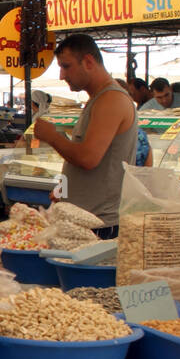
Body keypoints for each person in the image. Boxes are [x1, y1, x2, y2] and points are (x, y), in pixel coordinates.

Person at [32, 33, 137, 237]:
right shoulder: (97, 99)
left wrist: (52, 136)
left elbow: (88, 158)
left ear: (88, 61)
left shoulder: (111, 99)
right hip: (84, 220)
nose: (62, 75)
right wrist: (64, 189)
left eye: (66, 66)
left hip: (100, 225)